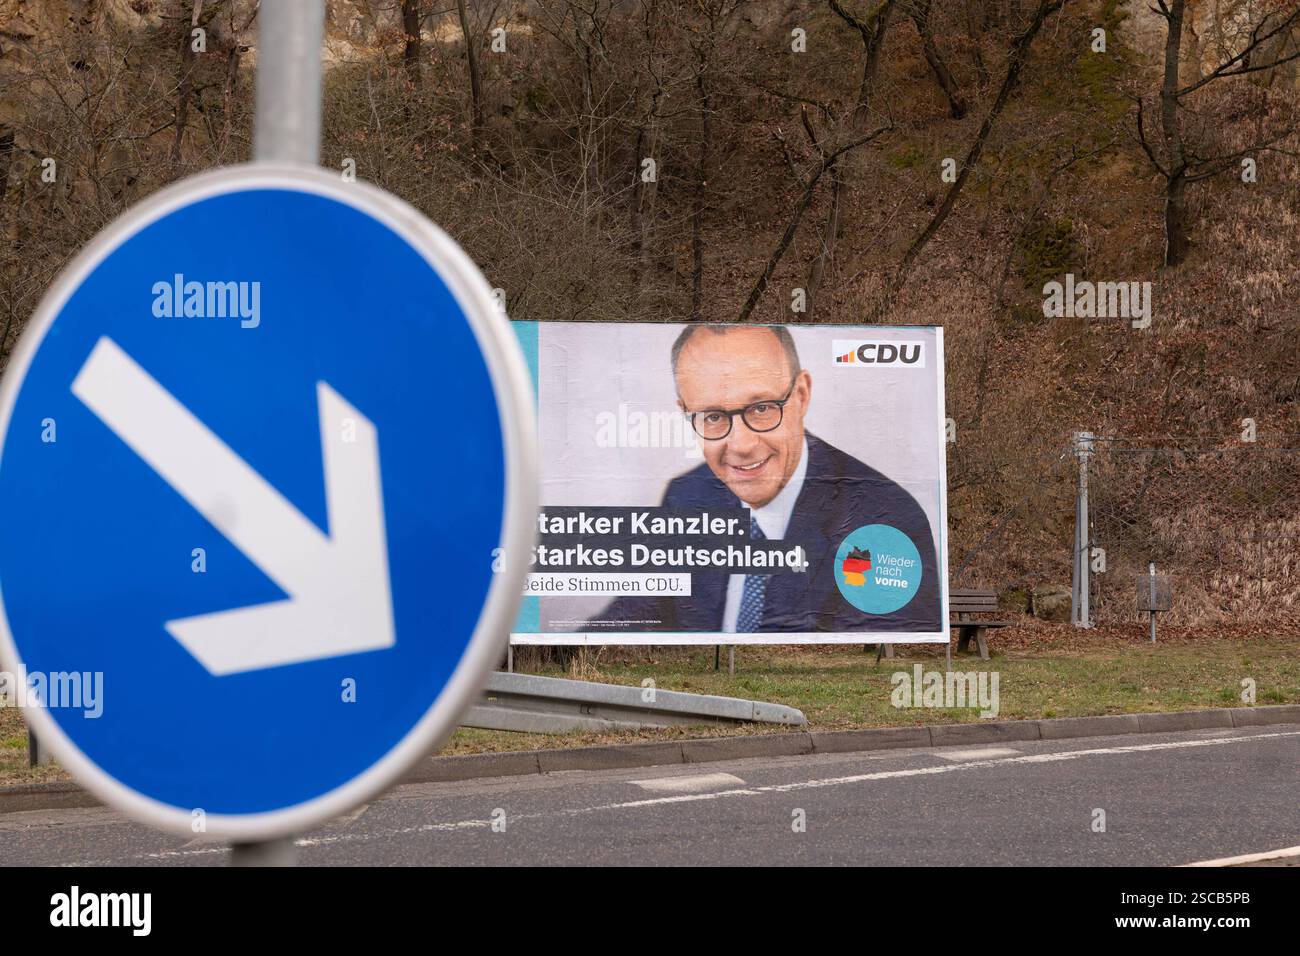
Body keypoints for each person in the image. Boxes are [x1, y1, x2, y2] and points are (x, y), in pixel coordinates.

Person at [596, 324, 940, 633]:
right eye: (713, 416)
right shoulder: (686, 497)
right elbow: (632, 613)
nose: (742, 445)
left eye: (761, 409)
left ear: (801, 395)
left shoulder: (886, 518)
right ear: (686, 413)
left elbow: (873, 663)